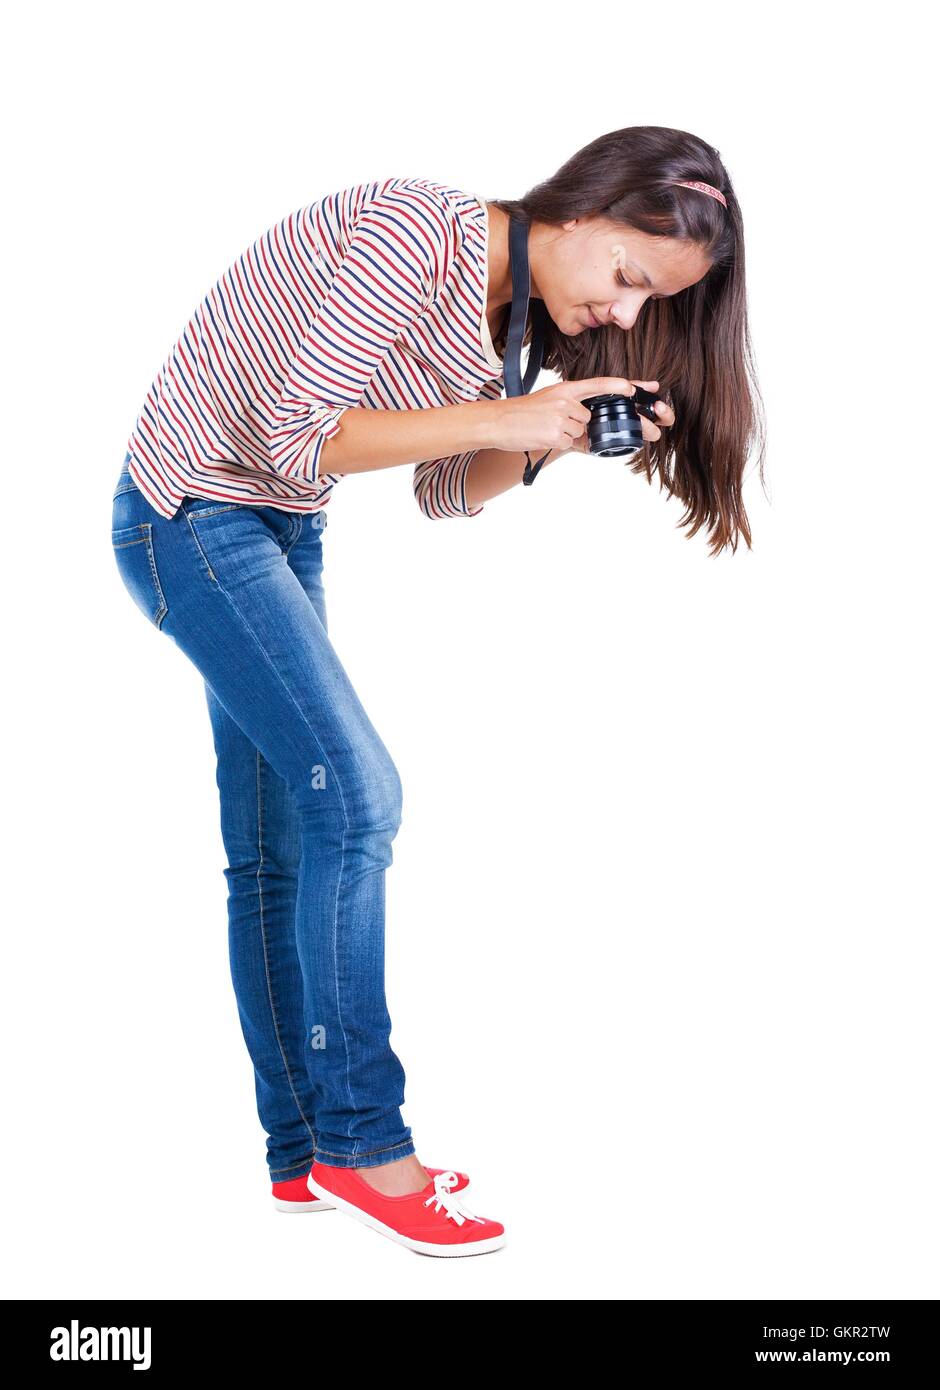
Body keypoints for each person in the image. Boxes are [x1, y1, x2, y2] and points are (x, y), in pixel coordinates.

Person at [110, 124, 765, 1257]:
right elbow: (295, 432)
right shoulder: (412, 231)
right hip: (189, 518)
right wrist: (507, 415)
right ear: (580, 204)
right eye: (625, 277)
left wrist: (550, 437)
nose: (620, 311)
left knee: (280, 846)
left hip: (274, 530)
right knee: (357, 802)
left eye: (644, 300)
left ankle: (302, 1151)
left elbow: (440, 492)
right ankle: (368, 1145)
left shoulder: (507, 329)